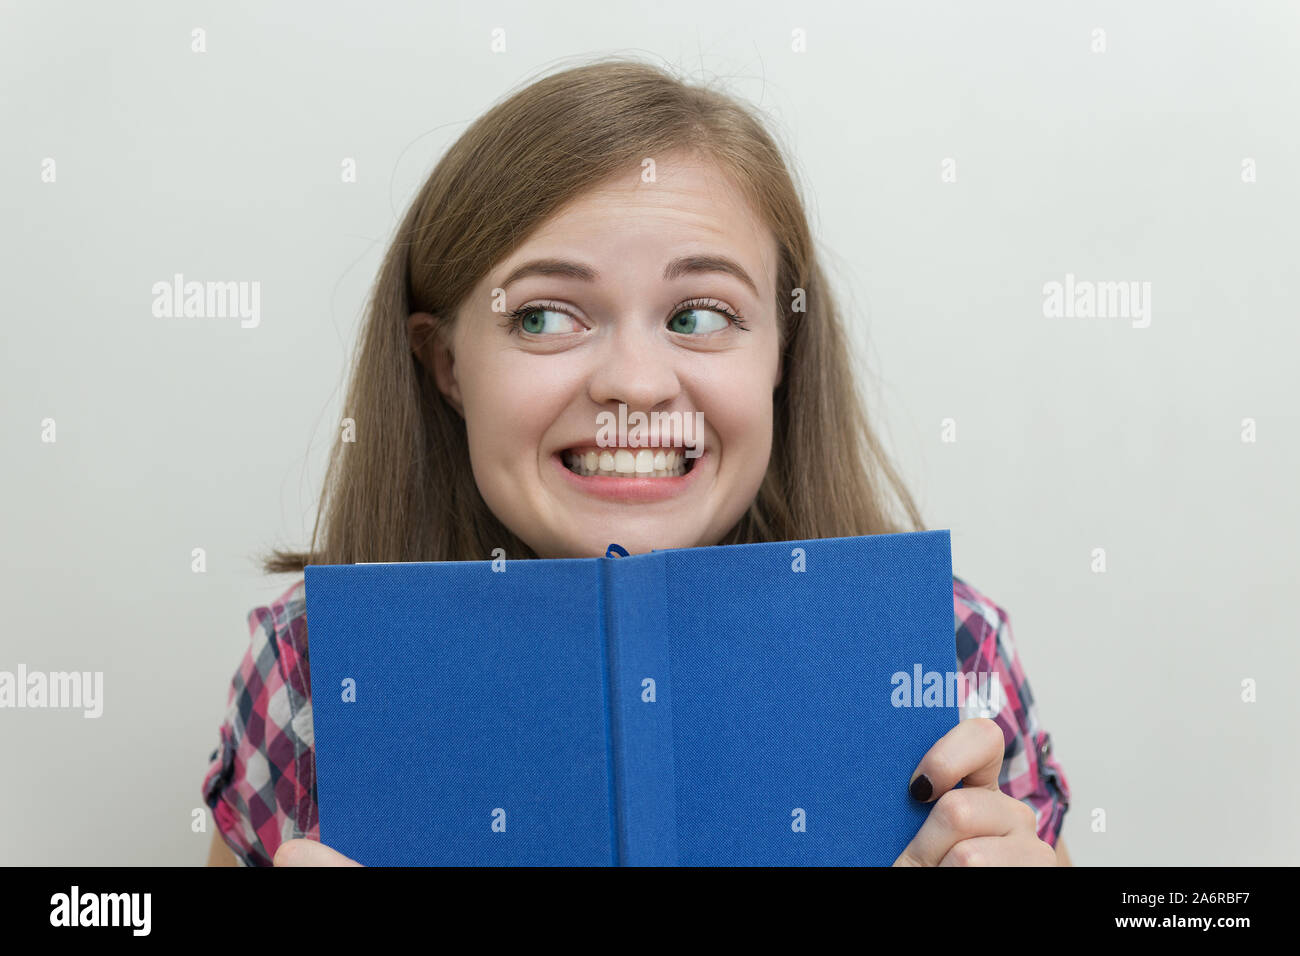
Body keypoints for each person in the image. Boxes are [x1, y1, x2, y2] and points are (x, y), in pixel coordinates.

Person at [203, 56, 1071, 867]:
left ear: (782, 355)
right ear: (447, 366)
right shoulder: (308, 666)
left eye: (699, 314)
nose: (636, 384)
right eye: (543, 317)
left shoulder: (955, 653)